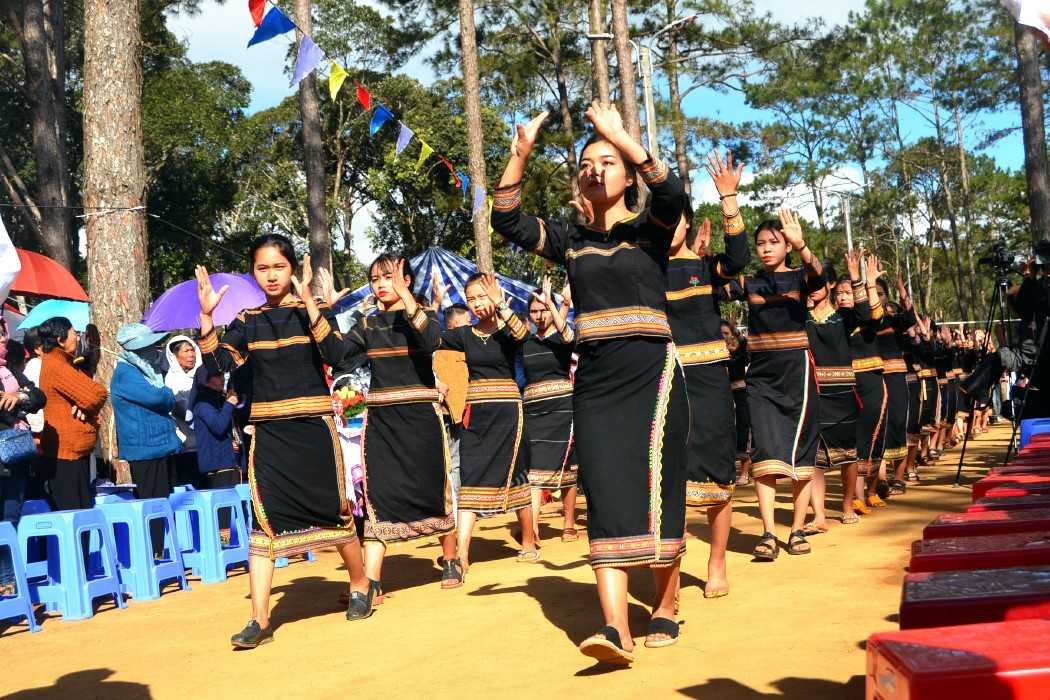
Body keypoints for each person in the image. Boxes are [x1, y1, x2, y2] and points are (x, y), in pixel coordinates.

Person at [492, 102, 688, 663]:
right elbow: (506, 219)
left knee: (656, 486)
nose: (595, 168)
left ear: (627, 174)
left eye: (607, 161)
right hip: (596, 380)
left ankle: (667, 605)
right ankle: (614, 628)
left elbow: (672, 196)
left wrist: (623, 136)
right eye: (587, 161)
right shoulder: (569, 238)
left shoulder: (649, 230)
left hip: (653, 375)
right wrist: (519, 153)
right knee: (603, 489)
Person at [196, 233, 369, 649]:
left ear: (292, 269)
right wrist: (206, 319)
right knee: (263, 521)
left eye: (279, 267)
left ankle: (361, 583)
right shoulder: (246, 319)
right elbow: (218, 364)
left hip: (313, 429)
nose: (271, 275)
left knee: (334, 511)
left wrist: (310, 300)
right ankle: (258, 619)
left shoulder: (314, 311)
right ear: (253, 272)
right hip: (270, 434)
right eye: (263, 268)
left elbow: (339, 355)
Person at [328, 254, 459, 592]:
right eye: (376, 279)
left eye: (389, 277)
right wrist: (326, 312)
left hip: (421, 421)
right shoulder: (368, 324)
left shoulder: (425, 315)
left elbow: (431, 341)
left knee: (433, 487)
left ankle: (450, 559)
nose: (381, 284)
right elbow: (337, 355)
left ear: (406, 280)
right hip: (382, 423)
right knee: (379, 494)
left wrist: (407, 300)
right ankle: (371, 582)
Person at [666, 153, 749, 599]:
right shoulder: (645, 271)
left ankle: (716, 562)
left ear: (686, 223)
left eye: (674, 221)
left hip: (710, 382)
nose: (667, 230)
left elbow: (739, 257)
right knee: (667, 476)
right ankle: (671, 570)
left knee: (717, 473)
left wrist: (729, 199)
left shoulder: (704, 268)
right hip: (664, 383)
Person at [737, 210, 824, 561]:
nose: (766, 249)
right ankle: (769, 533)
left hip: (797, 373)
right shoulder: (750, 283)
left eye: (774, 242)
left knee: (800, 450)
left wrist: (803, 246)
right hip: (760, 375)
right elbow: (717, 284)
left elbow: (821, 280)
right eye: (760, 244)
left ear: (787, 245)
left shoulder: (801, 277)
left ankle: (798, 528)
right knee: (766, 450)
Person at [440, 273, 536, 569]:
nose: (477, 303)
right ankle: (463, 554)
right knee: (470, 478)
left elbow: (524, 335)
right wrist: (429, 305)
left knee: (516, 475)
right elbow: (429, 336)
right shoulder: (465, 335)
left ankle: (530, 540)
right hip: (477, 417)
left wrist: (501, 306)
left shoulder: (509, 331)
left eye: (482, 296)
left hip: (508, 414)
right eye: (471, 299)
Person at [805, 252, 869, 528]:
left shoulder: (843, 317)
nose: (814, 289)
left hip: (843, 393)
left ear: (829, 285)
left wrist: (856, 278)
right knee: (814, 457)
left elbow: (865, 314)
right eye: (809, 283)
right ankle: (819, 514)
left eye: (819, 283)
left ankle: (846, 505)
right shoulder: (802, 317)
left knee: (848, 453)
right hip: (814, 392)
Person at [111, 323, 182, 555]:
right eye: (150, 345)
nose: (155, 349)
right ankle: (153, 552)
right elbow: (158, 398)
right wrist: (168, 394)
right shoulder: (126, 373)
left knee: (162, 501)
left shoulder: (143, 370)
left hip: (158, 446)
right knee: (152, 503)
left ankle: (160, 549)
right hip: (145, 449)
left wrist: (165, 394)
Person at [37, 317, 108, 511]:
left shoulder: (63, 362)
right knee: (74, 513)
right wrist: (87, 404)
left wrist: (84, 406)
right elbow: (97, 394)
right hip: (65, 455)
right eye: (74, 333)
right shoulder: (56, 365)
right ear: (60, 340)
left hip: (71, 452)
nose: (77, 338)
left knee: (80, 511)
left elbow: (89, 397)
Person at [0, 327, 47, 596]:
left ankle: (9, 584)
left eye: (4, 333)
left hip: (15, 457)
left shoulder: (10, 371)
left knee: (10, 519)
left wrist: (18, 397)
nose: (4, 339)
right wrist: (20, 403)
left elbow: (39, 396)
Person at [847, 257, 888, 512]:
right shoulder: (841, 319)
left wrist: (870, 283)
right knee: (856, 437)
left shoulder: (872, 318)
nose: (850, 296)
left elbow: (875, 312)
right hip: (848, 383)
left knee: (874, 434)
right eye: (846, 292)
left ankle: (870, 490)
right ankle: (855, 495)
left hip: (872, 379)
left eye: (852, 291)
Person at [873, 274, 917, 498]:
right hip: (873, 378)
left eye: (879, 294)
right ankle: (879, 479)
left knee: (898, 422)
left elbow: (910, 318)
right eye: (872, 292)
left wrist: (902, 289)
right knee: (878, 426)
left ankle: (898, 477)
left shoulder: (893, 320)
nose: (875, 297)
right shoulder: (864, 320)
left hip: (896, 377)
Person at [433, 303, 471, 521]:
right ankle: (457, 509)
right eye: (468, 323)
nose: (471, 326)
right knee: (454, 462)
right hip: (450, 414)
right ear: (456, 325)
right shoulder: (441, 349)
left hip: (468, 410)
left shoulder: (466, 346)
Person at [190, 365, 241, 491]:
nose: (222, 379)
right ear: (206, 381)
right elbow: (218, 426)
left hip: (229, 464)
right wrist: (229, 404)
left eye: (222, 375)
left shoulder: (219, 399)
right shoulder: (203, 403)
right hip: (218, 467)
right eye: (217, 376)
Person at [164, 335, 202, 487]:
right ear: (175, 356)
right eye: (186, 351)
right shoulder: (171, 381)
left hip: (204, 442)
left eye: (192, 350)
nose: (191, 355)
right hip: (185, 444)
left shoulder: (202, 376)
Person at [722, 320, 751, 486]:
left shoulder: (743, 348)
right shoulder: (716, 351)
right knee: (727, 432)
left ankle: (745, 473)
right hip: (724, 396)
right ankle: (728, 472)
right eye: (721, 334)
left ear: (733, 333)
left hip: (742, 395)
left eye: (726, 333)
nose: (724, 337)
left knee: (744, 432)